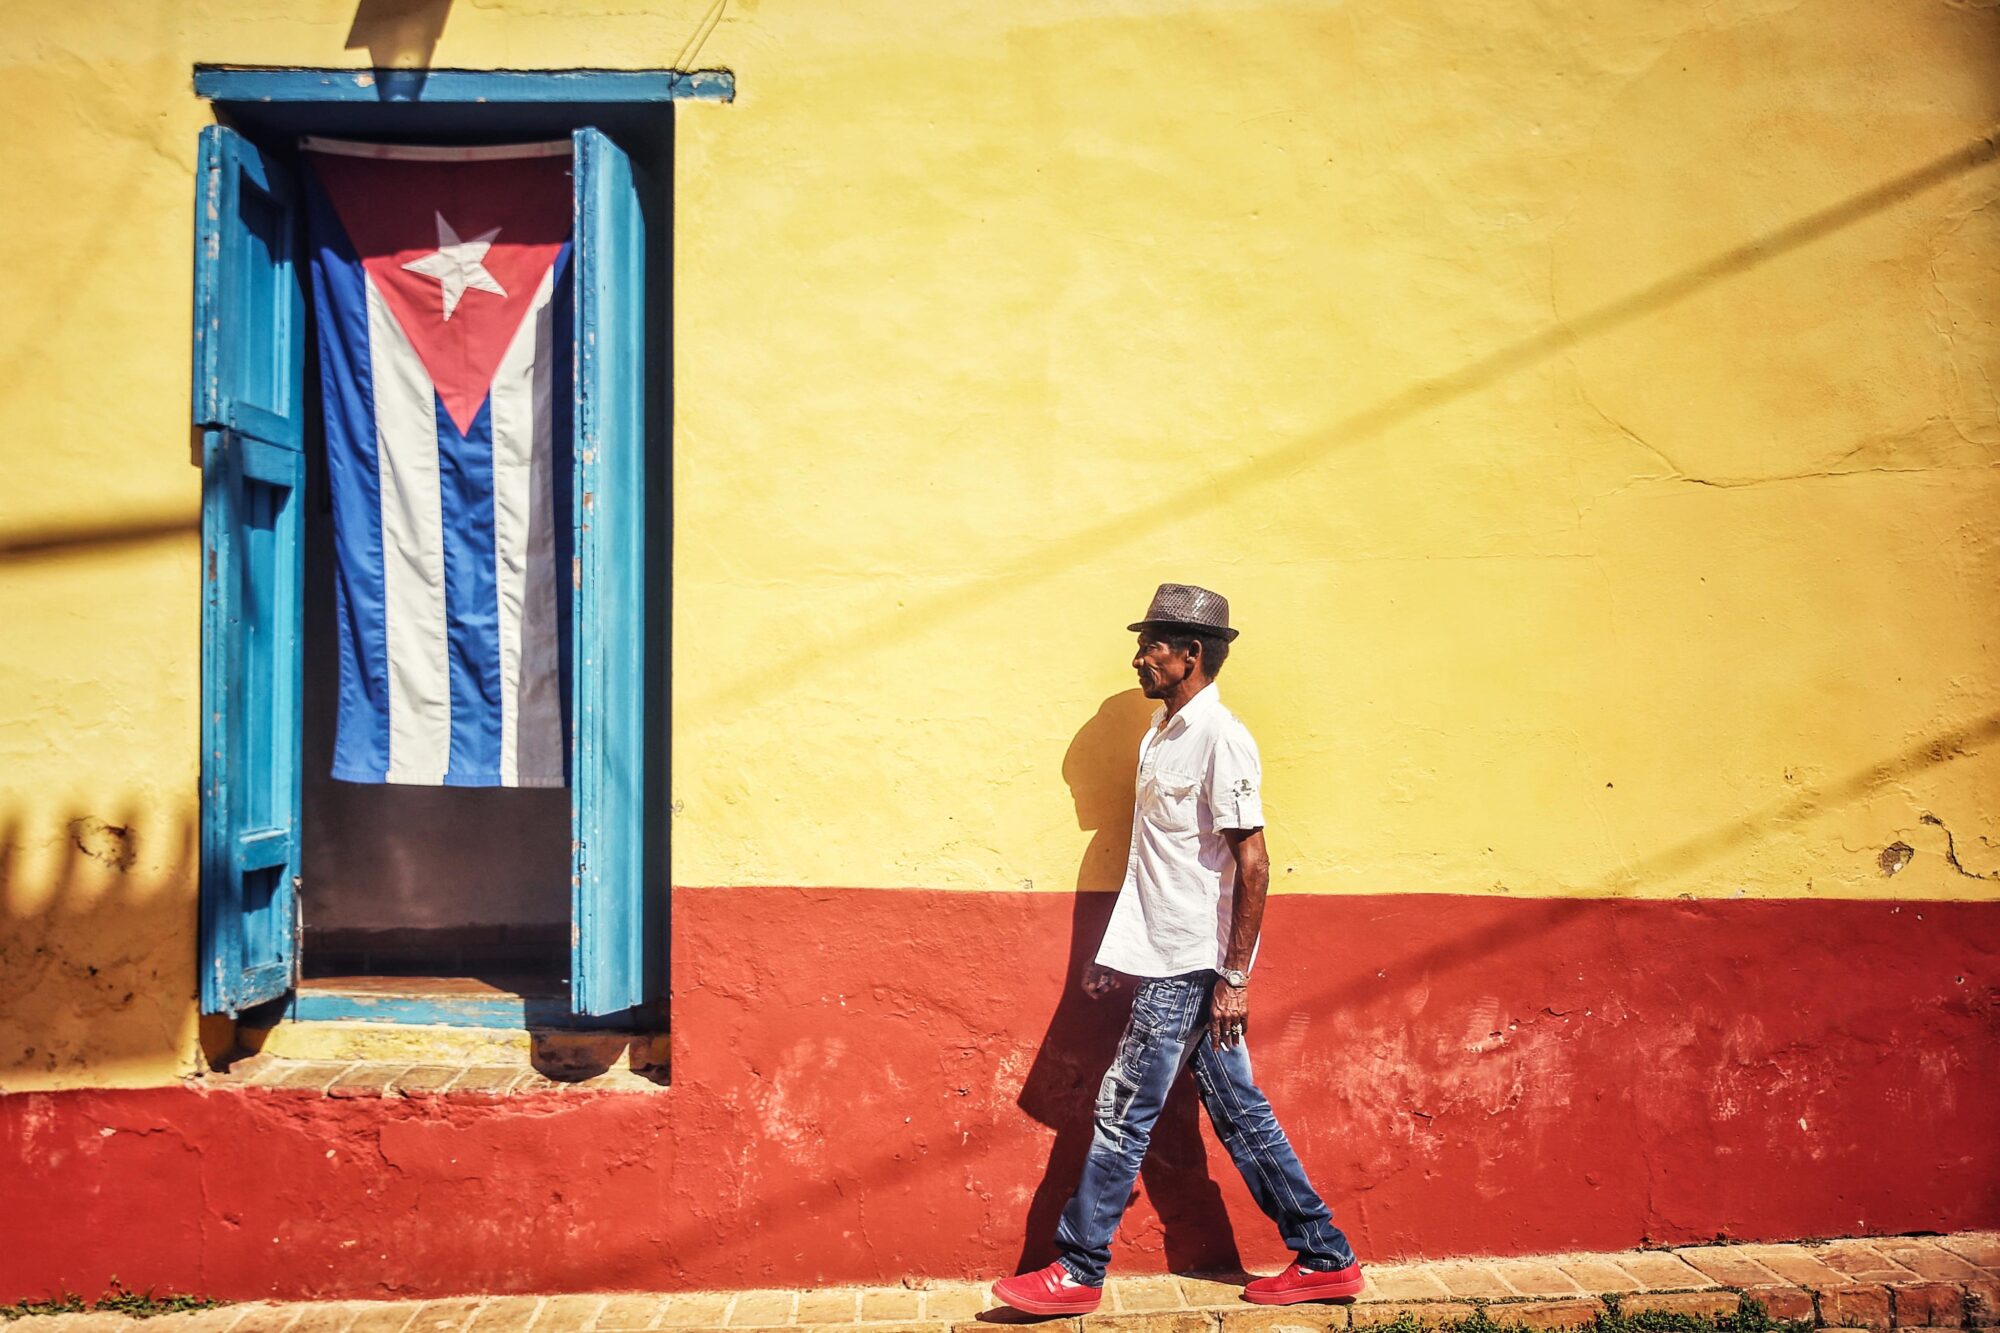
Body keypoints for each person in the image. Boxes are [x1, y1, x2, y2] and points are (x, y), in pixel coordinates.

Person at [992, 583, 1364, 1313]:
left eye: (1151, 646)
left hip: (1192, 964)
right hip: (1162, 954)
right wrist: (1118, 954)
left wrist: (1233, 978)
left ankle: (1078, 1267)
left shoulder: (1222, 738)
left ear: (1191, 654)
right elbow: (1157, 862)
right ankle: (1324, 1254)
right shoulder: (1160, 735)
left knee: (1122, 1110)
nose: (1139, 658)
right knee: (1240, 1112)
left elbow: (1253, 863)